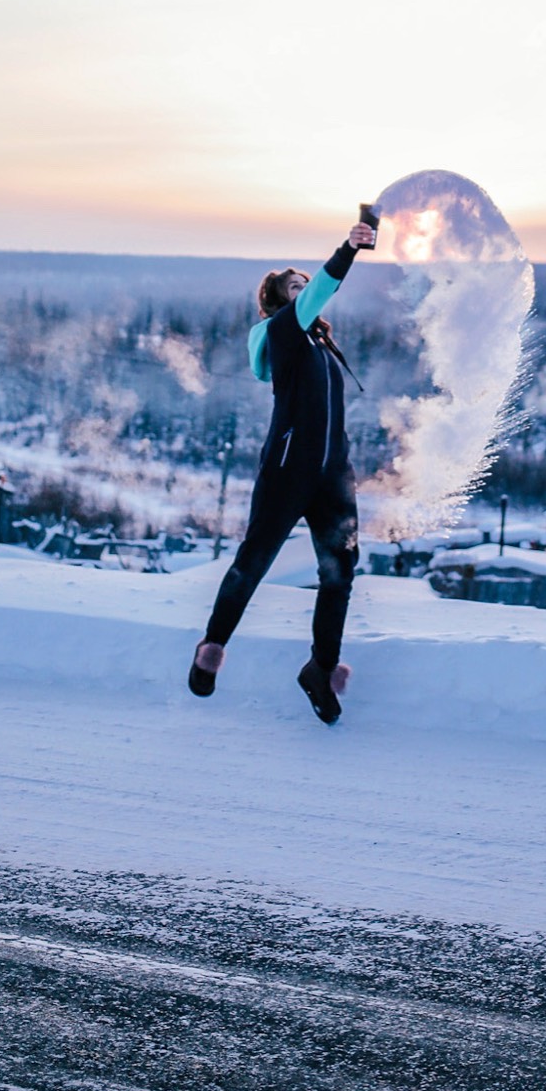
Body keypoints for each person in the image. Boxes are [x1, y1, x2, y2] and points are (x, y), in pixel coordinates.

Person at [188, 217, 375, 723]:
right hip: (289, 471)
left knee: (339, 575)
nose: (305, 291)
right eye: (295, 287)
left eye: (304, 285)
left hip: (333, 478)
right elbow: (318, 292)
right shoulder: (283, 332)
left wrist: (345, 468)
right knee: (254, 562)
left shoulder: (319, 346)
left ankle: (321, 668)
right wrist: (349, 249)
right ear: (277, 301)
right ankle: (211, 648)